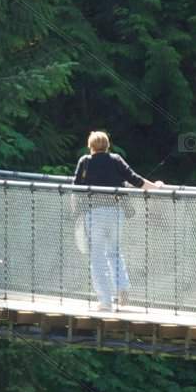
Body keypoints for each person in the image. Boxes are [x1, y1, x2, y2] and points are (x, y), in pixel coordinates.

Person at [72, 131, 164, 311]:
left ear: (90, 146)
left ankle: (105, 301)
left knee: (97, 257)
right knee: (114, 253)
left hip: (95, 214)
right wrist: (156, 187)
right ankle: (122, 290)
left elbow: (76, 189)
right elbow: (135, 179)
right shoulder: (115, 160)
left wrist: (76, 213)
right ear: (107, 145)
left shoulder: (85, 162)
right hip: (116, 213)